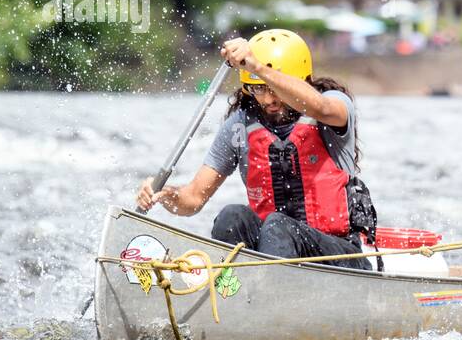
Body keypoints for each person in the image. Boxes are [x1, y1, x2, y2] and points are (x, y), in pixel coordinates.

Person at [135, 29, 377, 271]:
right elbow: (193, 199)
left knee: (278, 226)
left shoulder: (332, 104)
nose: (269, 99)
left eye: (275, 88)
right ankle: (230, 294)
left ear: (299, 82)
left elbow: (322, 108)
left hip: (339, 255)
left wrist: (258, 68)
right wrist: (165, 194)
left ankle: (271, 298)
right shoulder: (239, 127)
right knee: (232, 216)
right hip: (274, 251)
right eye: (258, 89)